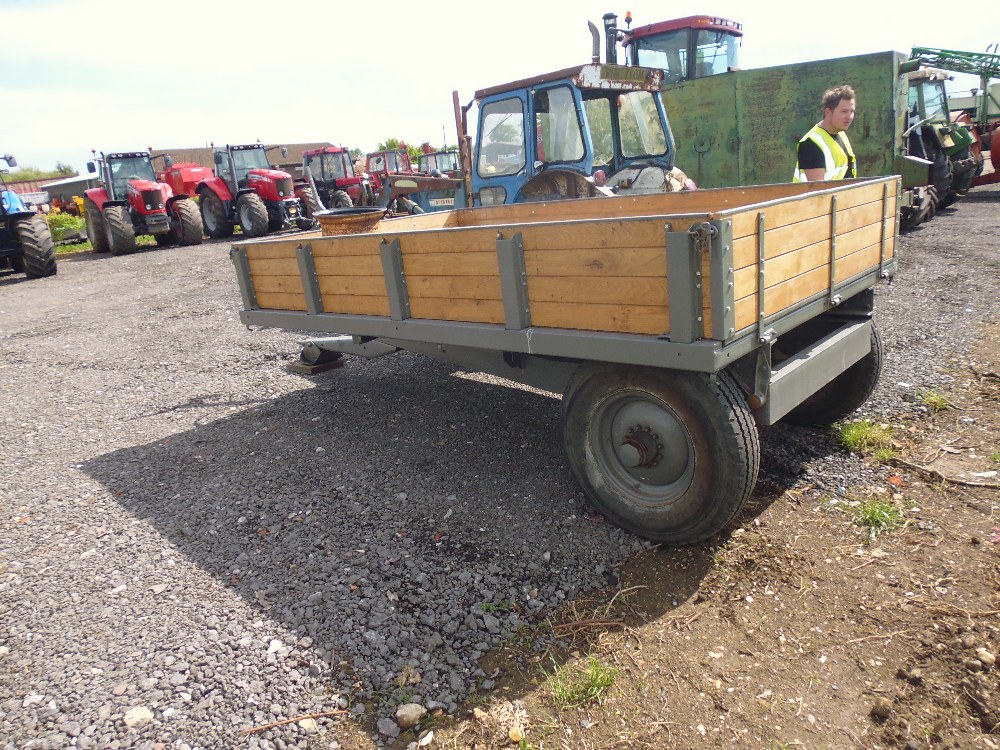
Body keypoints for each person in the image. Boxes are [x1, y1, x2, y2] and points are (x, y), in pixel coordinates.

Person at [793, 85, 857, 182]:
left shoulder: (841, 134)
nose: (849, 117)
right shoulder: (810, 144)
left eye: (852, 111)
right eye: (844, 111)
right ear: (828, 112)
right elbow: (817, 189)